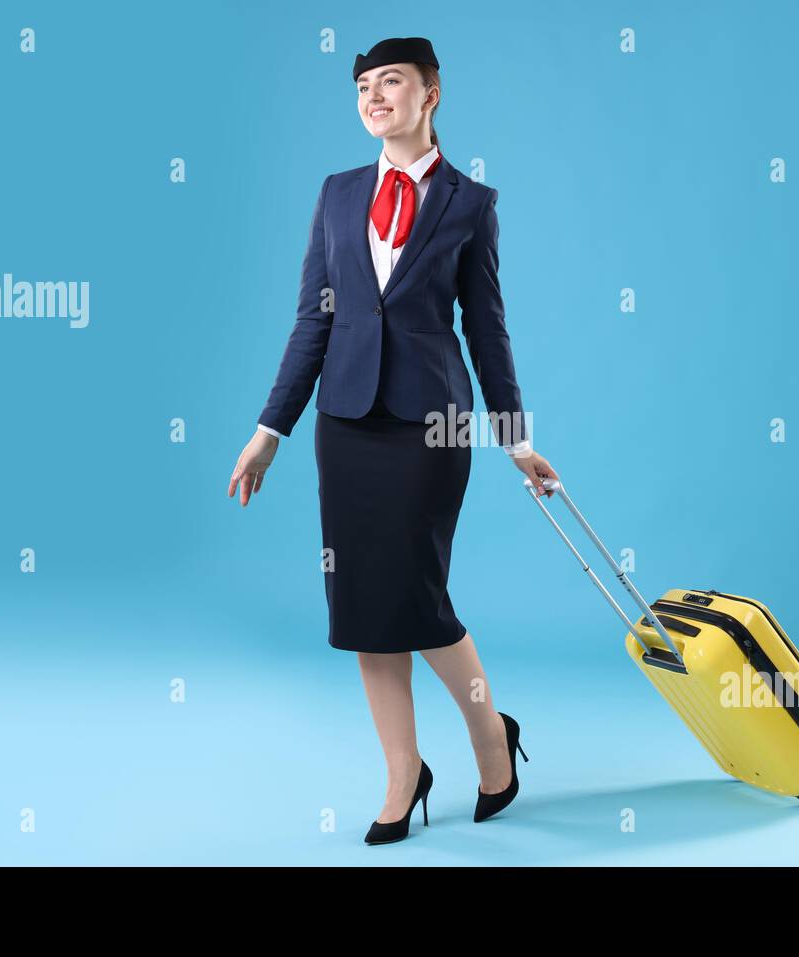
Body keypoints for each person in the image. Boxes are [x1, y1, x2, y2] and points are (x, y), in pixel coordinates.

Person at [228, 36, 558, 844]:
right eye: (364, 86)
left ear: (431, 93)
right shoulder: (338, 194)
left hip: (429, 425)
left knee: (418, 596)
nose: (375, 97)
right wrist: (271, 428)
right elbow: (315, 319)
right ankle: (403, 772)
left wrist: (516, 441)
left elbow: (488, 333)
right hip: (344, 425)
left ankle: (491, 737)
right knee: (365, 605)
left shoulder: (470, 204)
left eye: (392, 82)